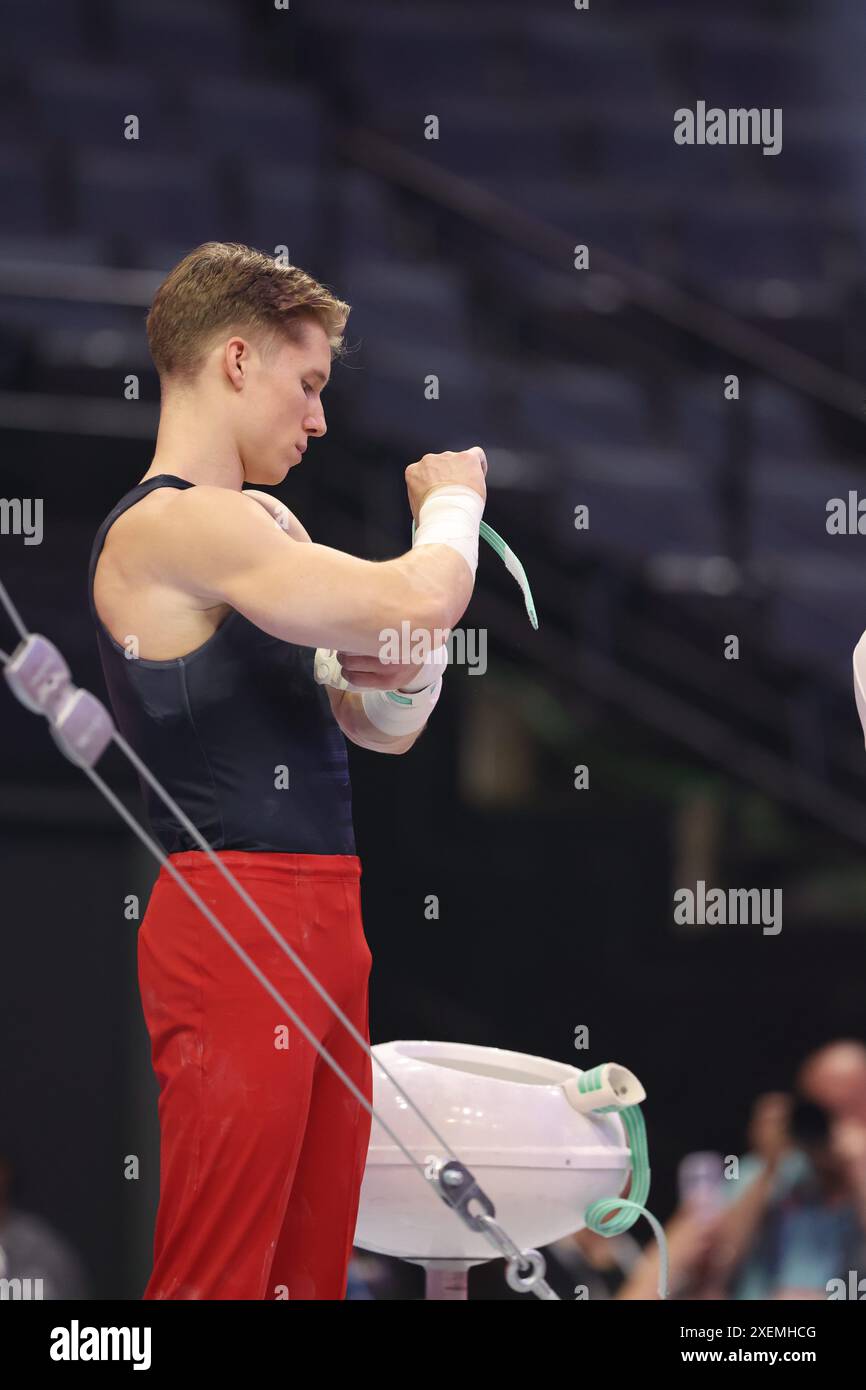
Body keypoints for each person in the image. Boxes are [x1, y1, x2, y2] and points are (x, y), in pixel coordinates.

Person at [87, 241, 488, 1300]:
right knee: (218, 1275)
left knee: (306, 1275)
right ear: (233, 360)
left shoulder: (265, 527)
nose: (318, 420)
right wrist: (452, 511)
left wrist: (409, 674)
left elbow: (373, 724)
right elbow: (415, 594)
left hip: (328, 907)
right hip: (233, 913)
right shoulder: (172, 523)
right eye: (305, 384)